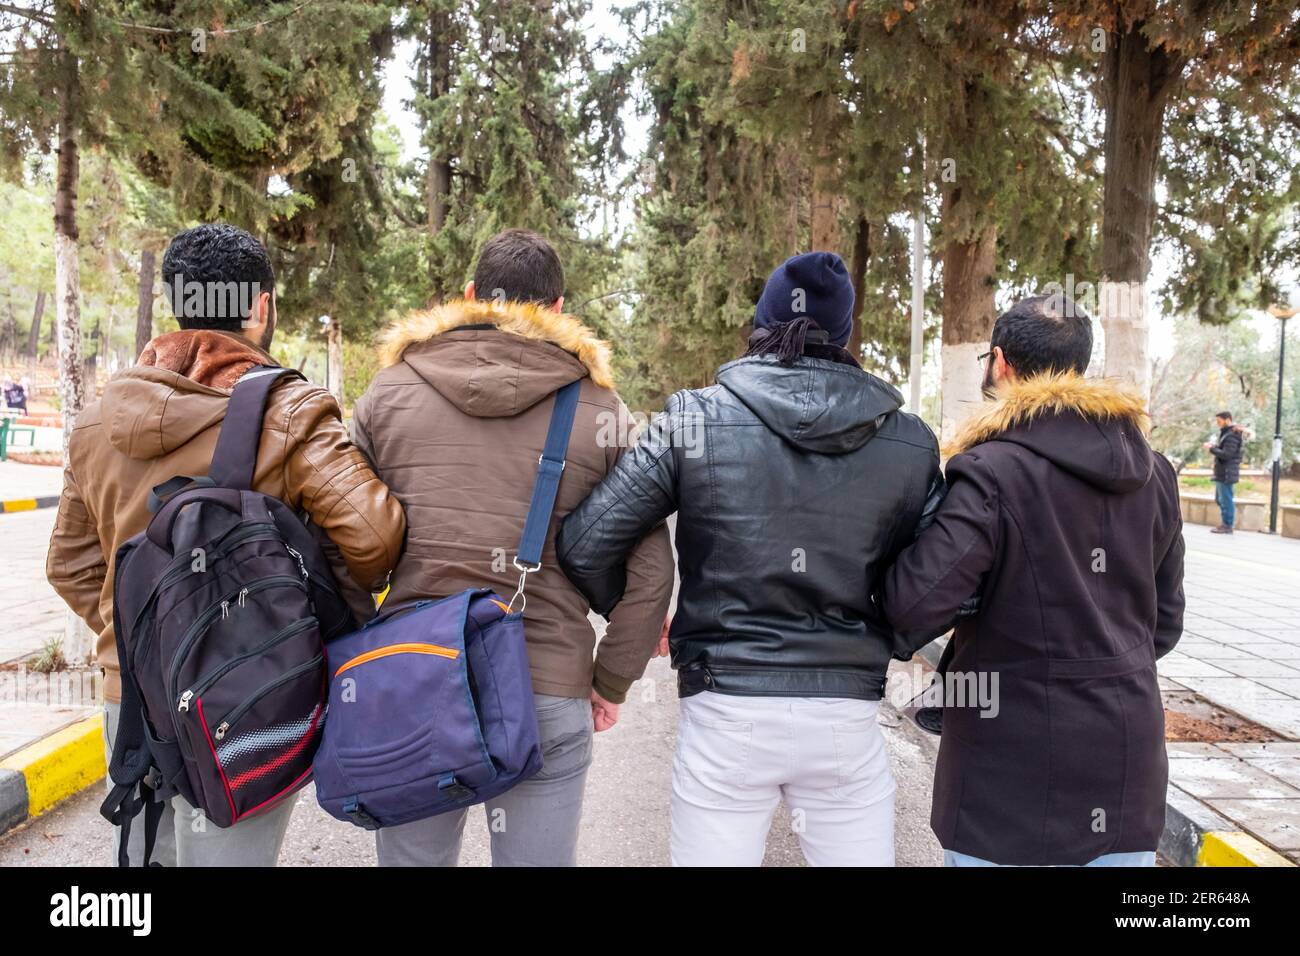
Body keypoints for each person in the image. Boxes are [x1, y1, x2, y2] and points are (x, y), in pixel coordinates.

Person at [558, 251, 941, 867]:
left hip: (726, 705)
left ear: (762, 324)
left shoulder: (693, 417)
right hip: (845, 711)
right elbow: (943, 577)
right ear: (842, 334)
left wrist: (637, 612)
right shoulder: (910, 441)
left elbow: (586, 540)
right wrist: (886, 635)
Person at [46, 223, 406, 867]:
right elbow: (376, 540)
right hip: (246, 697)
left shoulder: (97, 421)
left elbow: (69, 565)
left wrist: (148, 636)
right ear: (260, 305)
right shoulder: (291, 414)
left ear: (177, 305)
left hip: (128, 697)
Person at [354, 228, 674, 867]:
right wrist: (610, 681)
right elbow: (651, 572)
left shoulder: (385, 394)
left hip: (412, 679)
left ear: (470, 297)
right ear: (557, 310)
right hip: (545, 685)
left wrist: (356, 656)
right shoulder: (601, 411)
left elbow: (341, 541)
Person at [882, 293, 1185, 868]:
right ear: (1080, 366)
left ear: (1000, 362)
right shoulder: (1156, 472)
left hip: (1009, 774)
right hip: (1125, 765)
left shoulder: (991, 472)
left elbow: (912, 607)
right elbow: (1163, 627)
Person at [1204, 411, 1244, 534]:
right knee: (1220, 499)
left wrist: (1211, 448)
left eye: (1219, 421)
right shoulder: (1227, 433)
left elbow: (1227, 454)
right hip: (1222, 472)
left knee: (1226, 500)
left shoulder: (1231, 435)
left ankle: (1227, 525)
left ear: (1227, 420)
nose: (1218, 424)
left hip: (1226, 473)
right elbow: (1225, 450)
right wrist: (1215, 446)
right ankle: (1226, 524)